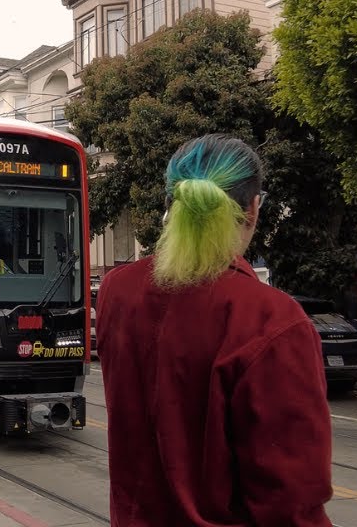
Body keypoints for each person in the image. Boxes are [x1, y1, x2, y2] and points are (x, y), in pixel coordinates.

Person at [96, 134, 332, 526]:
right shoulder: (271, 318)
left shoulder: (115, 291)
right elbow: (291, 499)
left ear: (169, 205)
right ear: (254, 209)